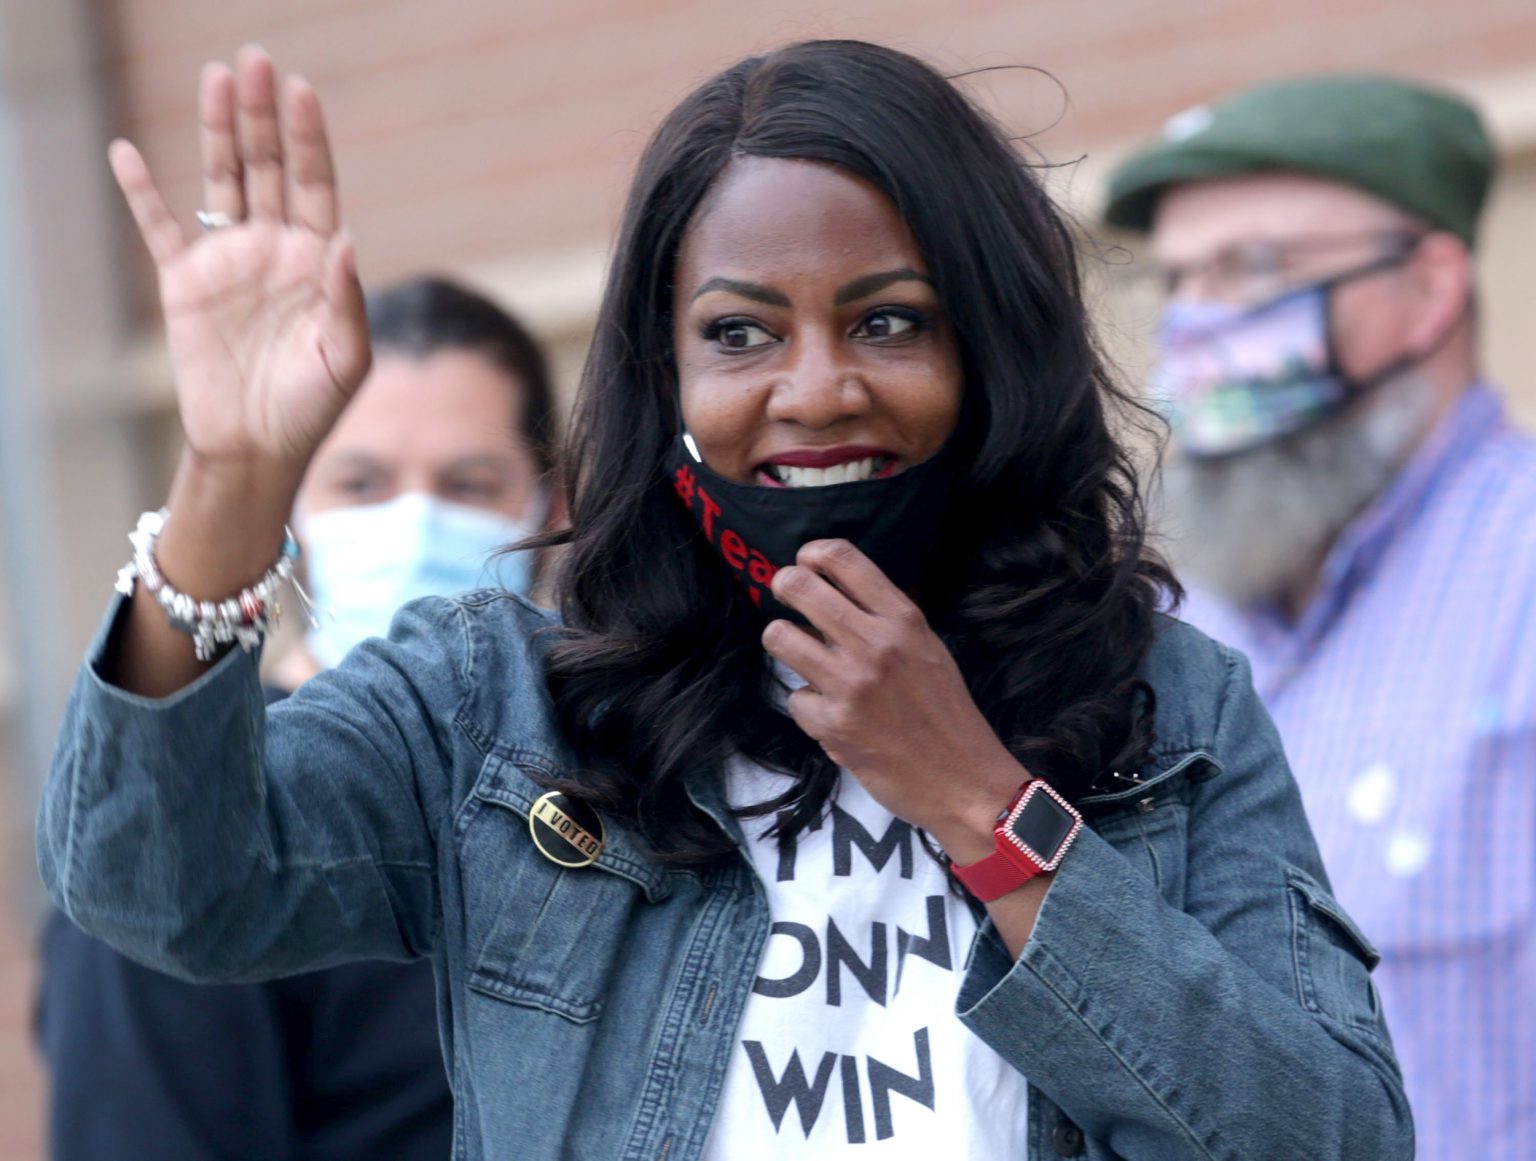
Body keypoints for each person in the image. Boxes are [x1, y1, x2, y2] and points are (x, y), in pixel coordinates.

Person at [38, 41, 1411, 1160]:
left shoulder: (1172, 709)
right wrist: (232, 479)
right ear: (667, 375)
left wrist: (984, 807)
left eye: (887, 320)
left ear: (989, 347)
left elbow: (1334, 1138)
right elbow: (154, 885)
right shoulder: (495, 707)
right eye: (741, 333)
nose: (815, 388)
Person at [1104, 75, 1533, 1160]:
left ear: (1428, 289)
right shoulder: (1168, 618)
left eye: (1255, 267)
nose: (1199, 323)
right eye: (1179, 280)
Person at [35, 275, 559, 1160]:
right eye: (361, 482)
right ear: (295, 507)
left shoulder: (593, 788)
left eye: (468, 484)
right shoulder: (197, 824)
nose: (413, 521)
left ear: (555, 504)